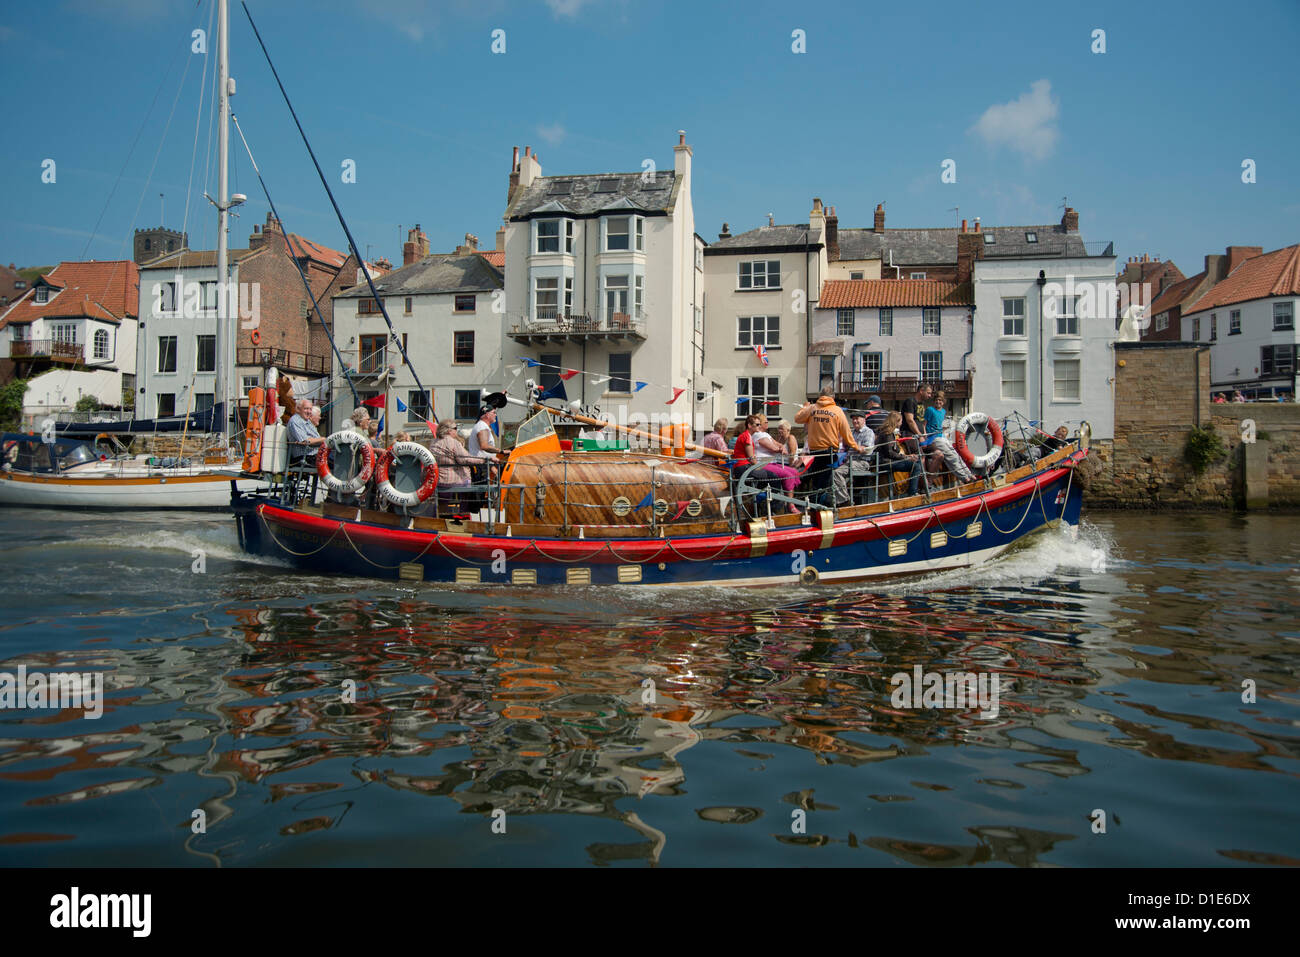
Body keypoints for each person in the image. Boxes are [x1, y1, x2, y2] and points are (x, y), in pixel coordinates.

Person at [795, 385, 865, 507]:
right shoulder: (837, 410)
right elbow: (846, 432)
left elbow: (797, 419)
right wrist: (856, 447)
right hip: (829, 452)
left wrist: (804, 408)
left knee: (817, 481)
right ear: (833, 397)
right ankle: (835, 505)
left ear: (820, 396)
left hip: (815, 452)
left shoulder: (812, 408)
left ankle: (816, 506)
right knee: (827, 480)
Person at [751, 414, 803, 508]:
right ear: (761, 424)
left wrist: (781, 447)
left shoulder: (766, 434)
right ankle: (790, 505)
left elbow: (778, 445)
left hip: (773, 462)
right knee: (788, 475)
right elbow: (773, 448)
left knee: (794, 472)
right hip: (764, 463)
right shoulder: (758, 435)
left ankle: (789, 501)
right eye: (766, 422)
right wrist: (779, 448)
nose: (768, 423)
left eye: (781, 428)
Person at [924, 391, 974, 484]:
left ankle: (969, 474)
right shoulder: (930, 410)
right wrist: (925, 438)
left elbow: (938, 424)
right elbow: (925, 424)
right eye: (936, 400)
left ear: (943, 402)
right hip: (934, 437)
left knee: (956, 455)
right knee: (951, 456)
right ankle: (964, 478)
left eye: (940, 400)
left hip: (942, 436)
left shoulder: (943, 411)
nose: (938, 402)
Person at [876, 410, 923, 496]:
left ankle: (918, 487)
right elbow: (890, 453)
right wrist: (906, 457)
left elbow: (894, 450)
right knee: (915, 466)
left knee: (917, 460)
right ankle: (912, 492)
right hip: (886, 462)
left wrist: (907, 456)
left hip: (887, 460)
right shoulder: (888, 433)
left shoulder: (887, 432)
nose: (901, 423)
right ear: (896, 421)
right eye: (901, 421)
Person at [833, 410, 876, 505]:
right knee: (829, 471)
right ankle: (832, 500)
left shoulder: (868, 432)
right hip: (849, 461)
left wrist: (853, 445)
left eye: (857, 419)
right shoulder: (852, 433)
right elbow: (846, 448)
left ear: (864, 420)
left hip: (861, 462)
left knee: (837, 473)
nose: (855, 421)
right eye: (853, 419)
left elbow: (865, 449)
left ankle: (844, 501)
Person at [287, 398, 326, 463]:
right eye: (306, 409)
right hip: (305, 456)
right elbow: (305, 441)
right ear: (298, 409)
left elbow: (316, 438)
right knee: (337, 462)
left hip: (315, 454)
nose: (309, 412)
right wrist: (323, 439)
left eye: (310, 409)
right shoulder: (295, 420)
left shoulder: (307, 421)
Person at [900, 383, 930, 455]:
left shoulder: (922, 404)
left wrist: (925, 435)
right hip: (910, 434)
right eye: (928, 393)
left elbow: (922, 422)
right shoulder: (910, 401)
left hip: (921, 435)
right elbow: (910, 421)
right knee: (921, 456)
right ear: (921, 391)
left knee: (938, 454)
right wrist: (920, 436)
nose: (930, 396)